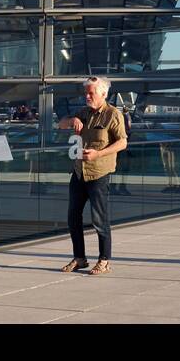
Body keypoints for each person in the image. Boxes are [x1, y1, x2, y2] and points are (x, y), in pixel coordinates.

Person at [57, 77, 127, 276]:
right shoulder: (83, 113)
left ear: (103, 94)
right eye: (86, 93)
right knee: (73, 218)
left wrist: (98, 154)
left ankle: (104, 260)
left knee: (99, 219)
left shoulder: (113, 115)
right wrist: (72, 120)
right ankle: (79, 258)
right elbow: (60, 124)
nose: (87, 96)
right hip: (79, 172)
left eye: (91, 93)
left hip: (99, 173)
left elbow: (122, 143)